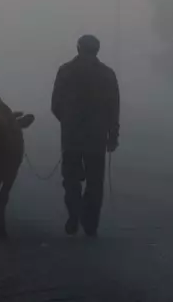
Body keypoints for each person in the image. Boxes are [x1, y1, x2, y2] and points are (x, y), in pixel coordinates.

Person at [51, 34, 120, 237]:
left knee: (71, 179)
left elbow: (55, 105)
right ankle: (90, 223)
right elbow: (113, 108)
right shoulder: (107, 74)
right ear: (97, 50)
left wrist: (67, 122)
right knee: (94, 182)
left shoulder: (65, 71)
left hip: (72, 137)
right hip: (96, 138)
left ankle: (74, 213)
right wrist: (112, 134)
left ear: (78, 48)